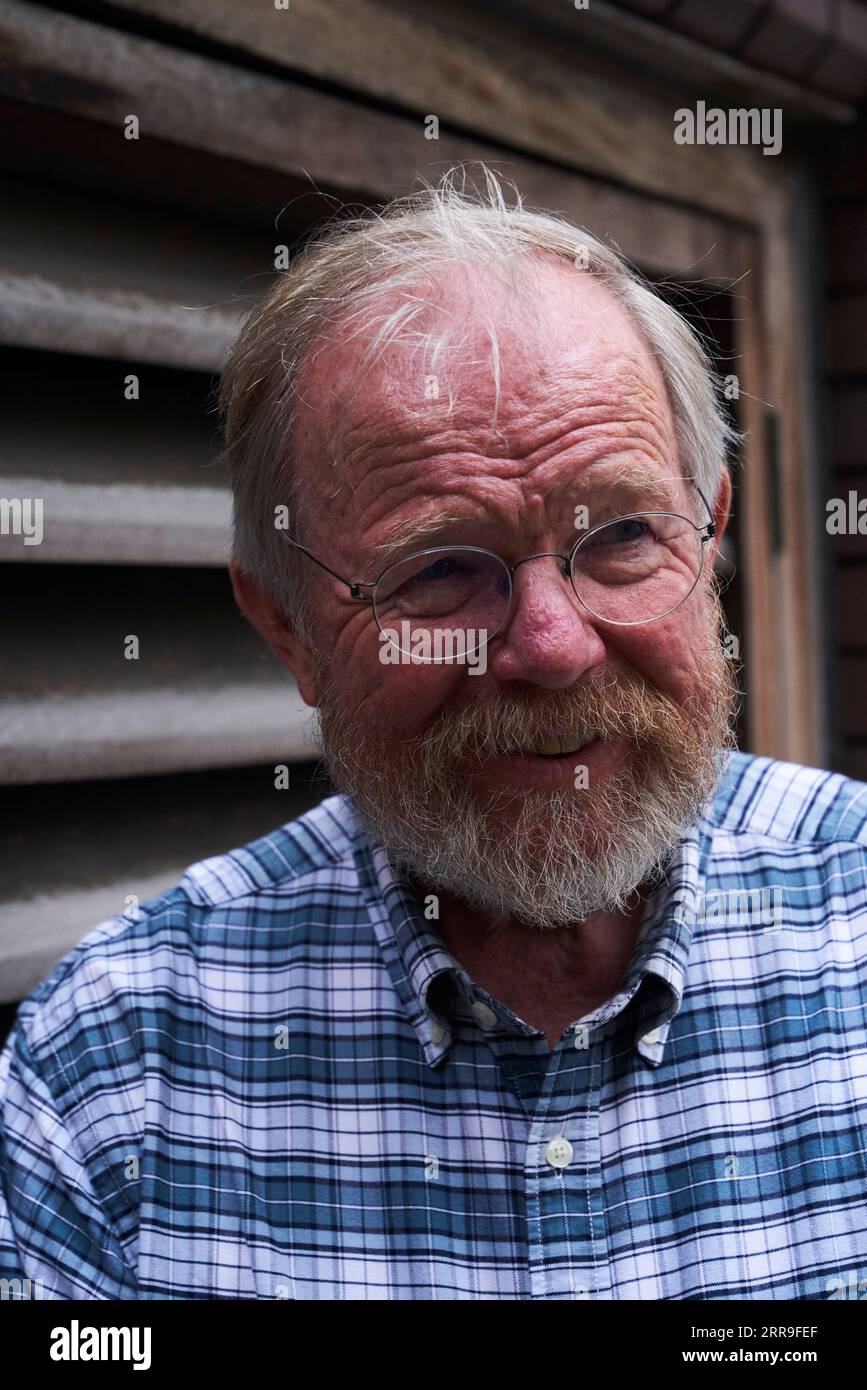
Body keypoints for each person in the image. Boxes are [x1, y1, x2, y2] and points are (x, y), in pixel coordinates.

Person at [2, 168, 865, 1300]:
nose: (552, 647)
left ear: (709, 536)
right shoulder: (115, 1074)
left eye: (621, 536)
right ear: (289, 626)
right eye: (442, 569)